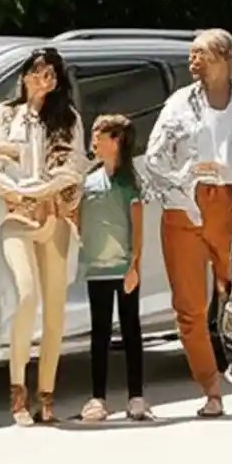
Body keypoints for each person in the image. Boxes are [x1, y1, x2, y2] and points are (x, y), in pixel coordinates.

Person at [144, 28, 232, 418]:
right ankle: (211, 388)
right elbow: (154, 156)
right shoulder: (179, 102)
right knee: (188, 306)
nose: (193, 60)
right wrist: (185, 176)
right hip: (184, 205)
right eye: (192, 54)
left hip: (229, 204)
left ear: (224, 59)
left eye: (200, 54)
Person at [0, 47, 87, 426]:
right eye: (40, 70)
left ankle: (48, 395)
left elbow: (74, 170)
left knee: (55, 310)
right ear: (25, 75)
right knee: (26, 295)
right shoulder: (3, 117)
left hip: (55, 217)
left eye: (53, 71)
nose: (47, 77)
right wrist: (23, 193)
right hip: (17, 216)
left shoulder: (67, 119)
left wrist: (45, 192)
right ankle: (17, 390)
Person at [74, 114, 152, 422]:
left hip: (123, 268)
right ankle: (98, 397)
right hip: (97, 268)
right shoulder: (88, 182)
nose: (93, 141)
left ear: (116, 140)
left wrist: (135, 265)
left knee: (131, 330)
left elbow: (137, 227)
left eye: (99, 135)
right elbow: (79, 219)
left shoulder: (129, 183)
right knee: (100, 333)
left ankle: (136, 396)